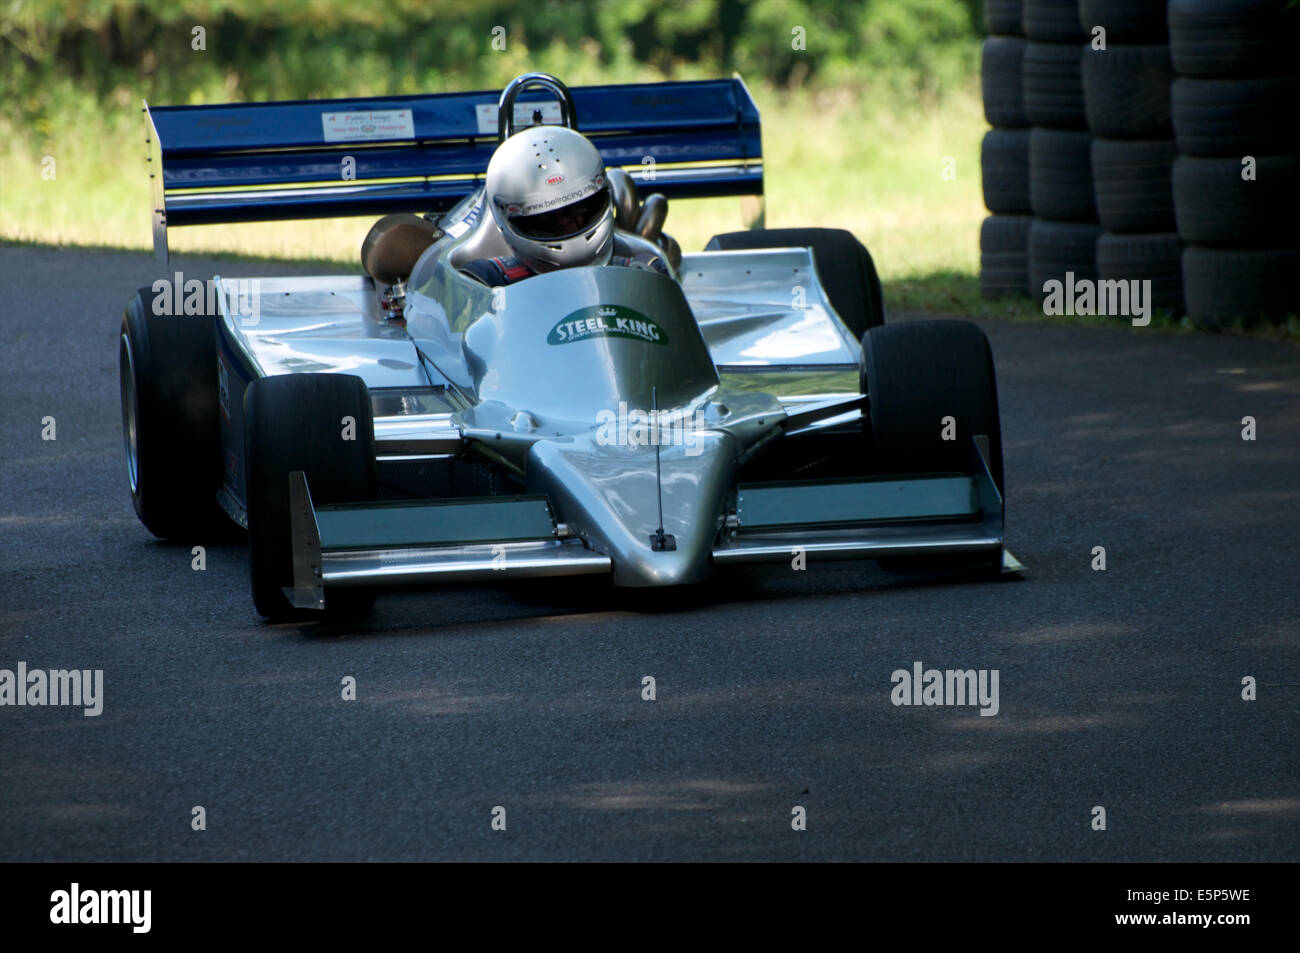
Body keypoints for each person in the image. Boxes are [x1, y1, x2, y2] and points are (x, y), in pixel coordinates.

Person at [460, 125, 667, 287]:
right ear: (508, 220)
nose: (569, 225)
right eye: (547, 221)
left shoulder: (646, 268)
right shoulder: (482, 279)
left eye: (580, 210)